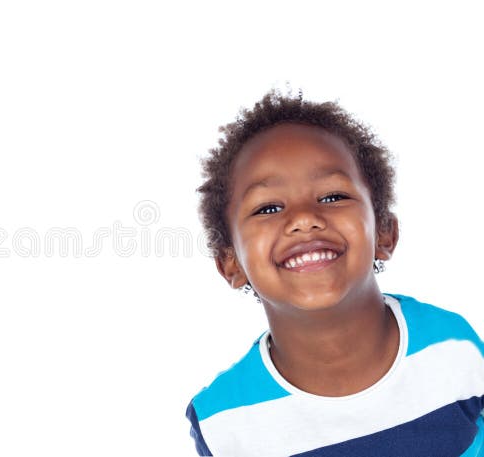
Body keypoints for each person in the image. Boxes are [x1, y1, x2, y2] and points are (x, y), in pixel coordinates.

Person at [187, 91, 484, 456]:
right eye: (267, 207)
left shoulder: (454, 349)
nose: (303, 219)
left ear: (385, 233)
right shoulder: (226, 423)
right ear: (230, 264)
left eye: (332, 197)